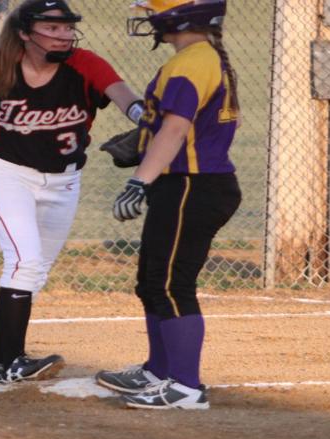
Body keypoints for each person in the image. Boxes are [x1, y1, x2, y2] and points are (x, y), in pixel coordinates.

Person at [0, 0, 147, 388]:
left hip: (65, 181)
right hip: (7, 172)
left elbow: (122, 94)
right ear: (25, 33)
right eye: (53, 29)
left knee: (33, 271)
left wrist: (144, 118)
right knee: (23, 262)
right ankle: (11, 360)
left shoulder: (85, 63)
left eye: (67, 28)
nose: (64, 35)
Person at [96, 0, 241, 411]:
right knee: (151, 282)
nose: (149, 16)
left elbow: (177, 129)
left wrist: (139, 180)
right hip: (186, 184)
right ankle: (159, 371)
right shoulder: (202, 57)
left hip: (192, 187)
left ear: (180, 16)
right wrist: (147, 141)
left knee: (172, 285)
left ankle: (186, 386)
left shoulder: (191, 62)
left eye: (155, 8)